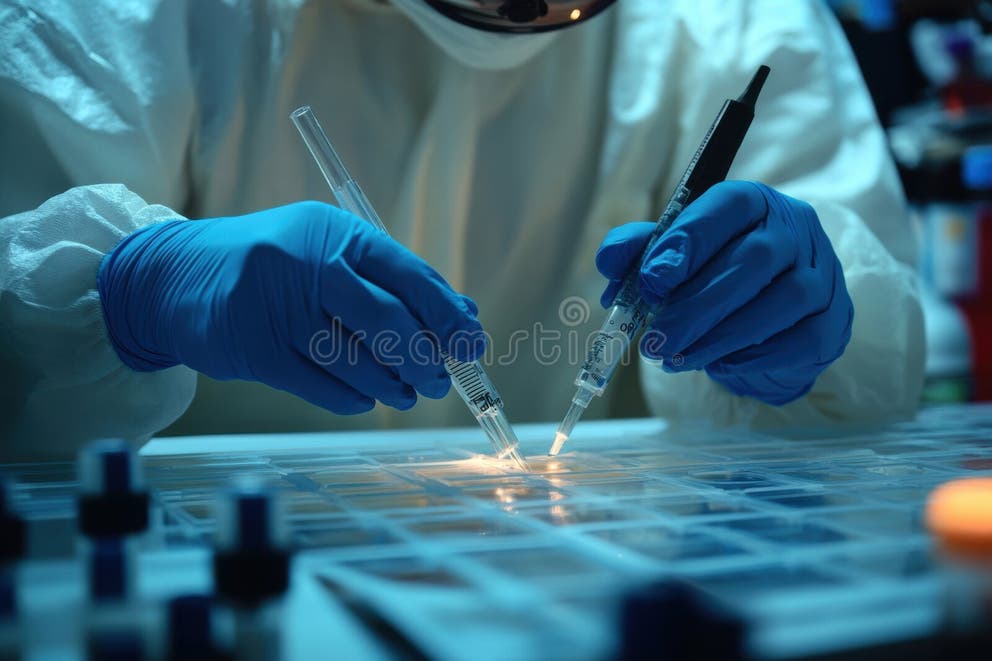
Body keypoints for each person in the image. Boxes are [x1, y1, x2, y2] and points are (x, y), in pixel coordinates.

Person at [0, 0, 923, 461]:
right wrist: (128, 291)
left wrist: (804, 327)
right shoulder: (136, 19)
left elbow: (864, 360)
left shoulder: (734, 21)